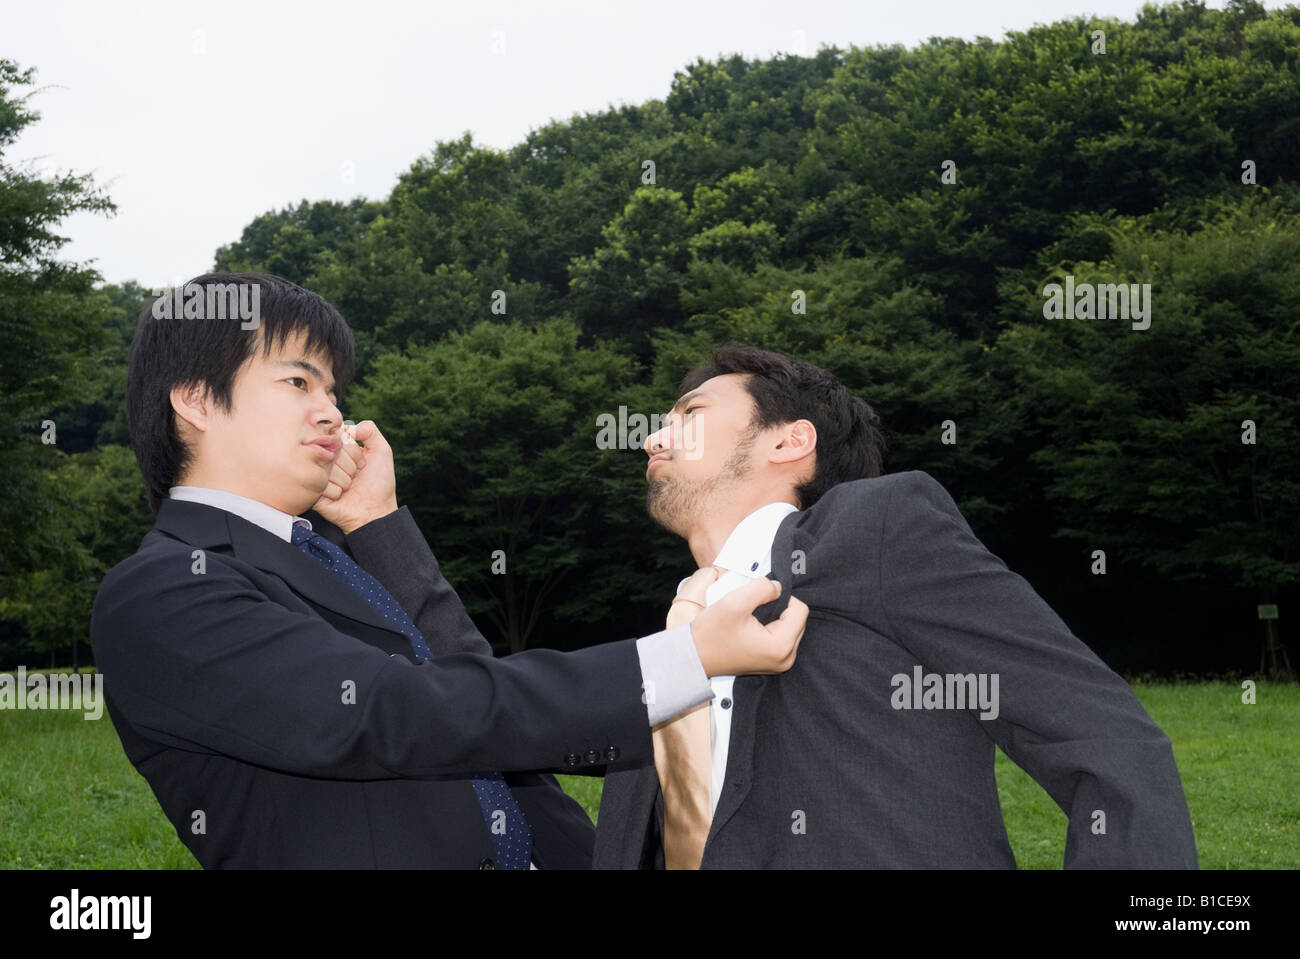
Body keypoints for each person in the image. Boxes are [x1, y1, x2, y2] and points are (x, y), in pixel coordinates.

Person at [89, 274, 807, 869]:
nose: (332, 413)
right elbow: (396, 713)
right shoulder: (161, 591)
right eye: (300, 381)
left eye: (334, 391)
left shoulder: (329, 558)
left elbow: (465, 685)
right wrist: (684, 658)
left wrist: (380, 525)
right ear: (196, 400)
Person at [594, 345, 1198, 869]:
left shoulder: (875, 529)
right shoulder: (670, 641)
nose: (652, 437)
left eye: (690, 415)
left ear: (789, 439)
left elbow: (1102, 735)